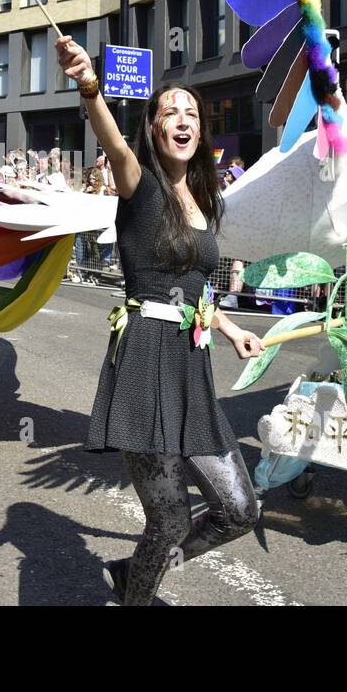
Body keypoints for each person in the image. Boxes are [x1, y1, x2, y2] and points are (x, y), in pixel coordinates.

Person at [56, 34, 263, 607]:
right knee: (168, 522)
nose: (183, 119)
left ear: (201, 132)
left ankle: (132, 574)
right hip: (145, 360)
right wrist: (89, 86)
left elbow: (194, 289)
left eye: (192, 113)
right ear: (153, 128)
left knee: (239, 510)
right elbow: (112, 141)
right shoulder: (139, 184)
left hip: (192, 365)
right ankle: (138, 596)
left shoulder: (204, 199)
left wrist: (230, 328)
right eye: (169, 111)